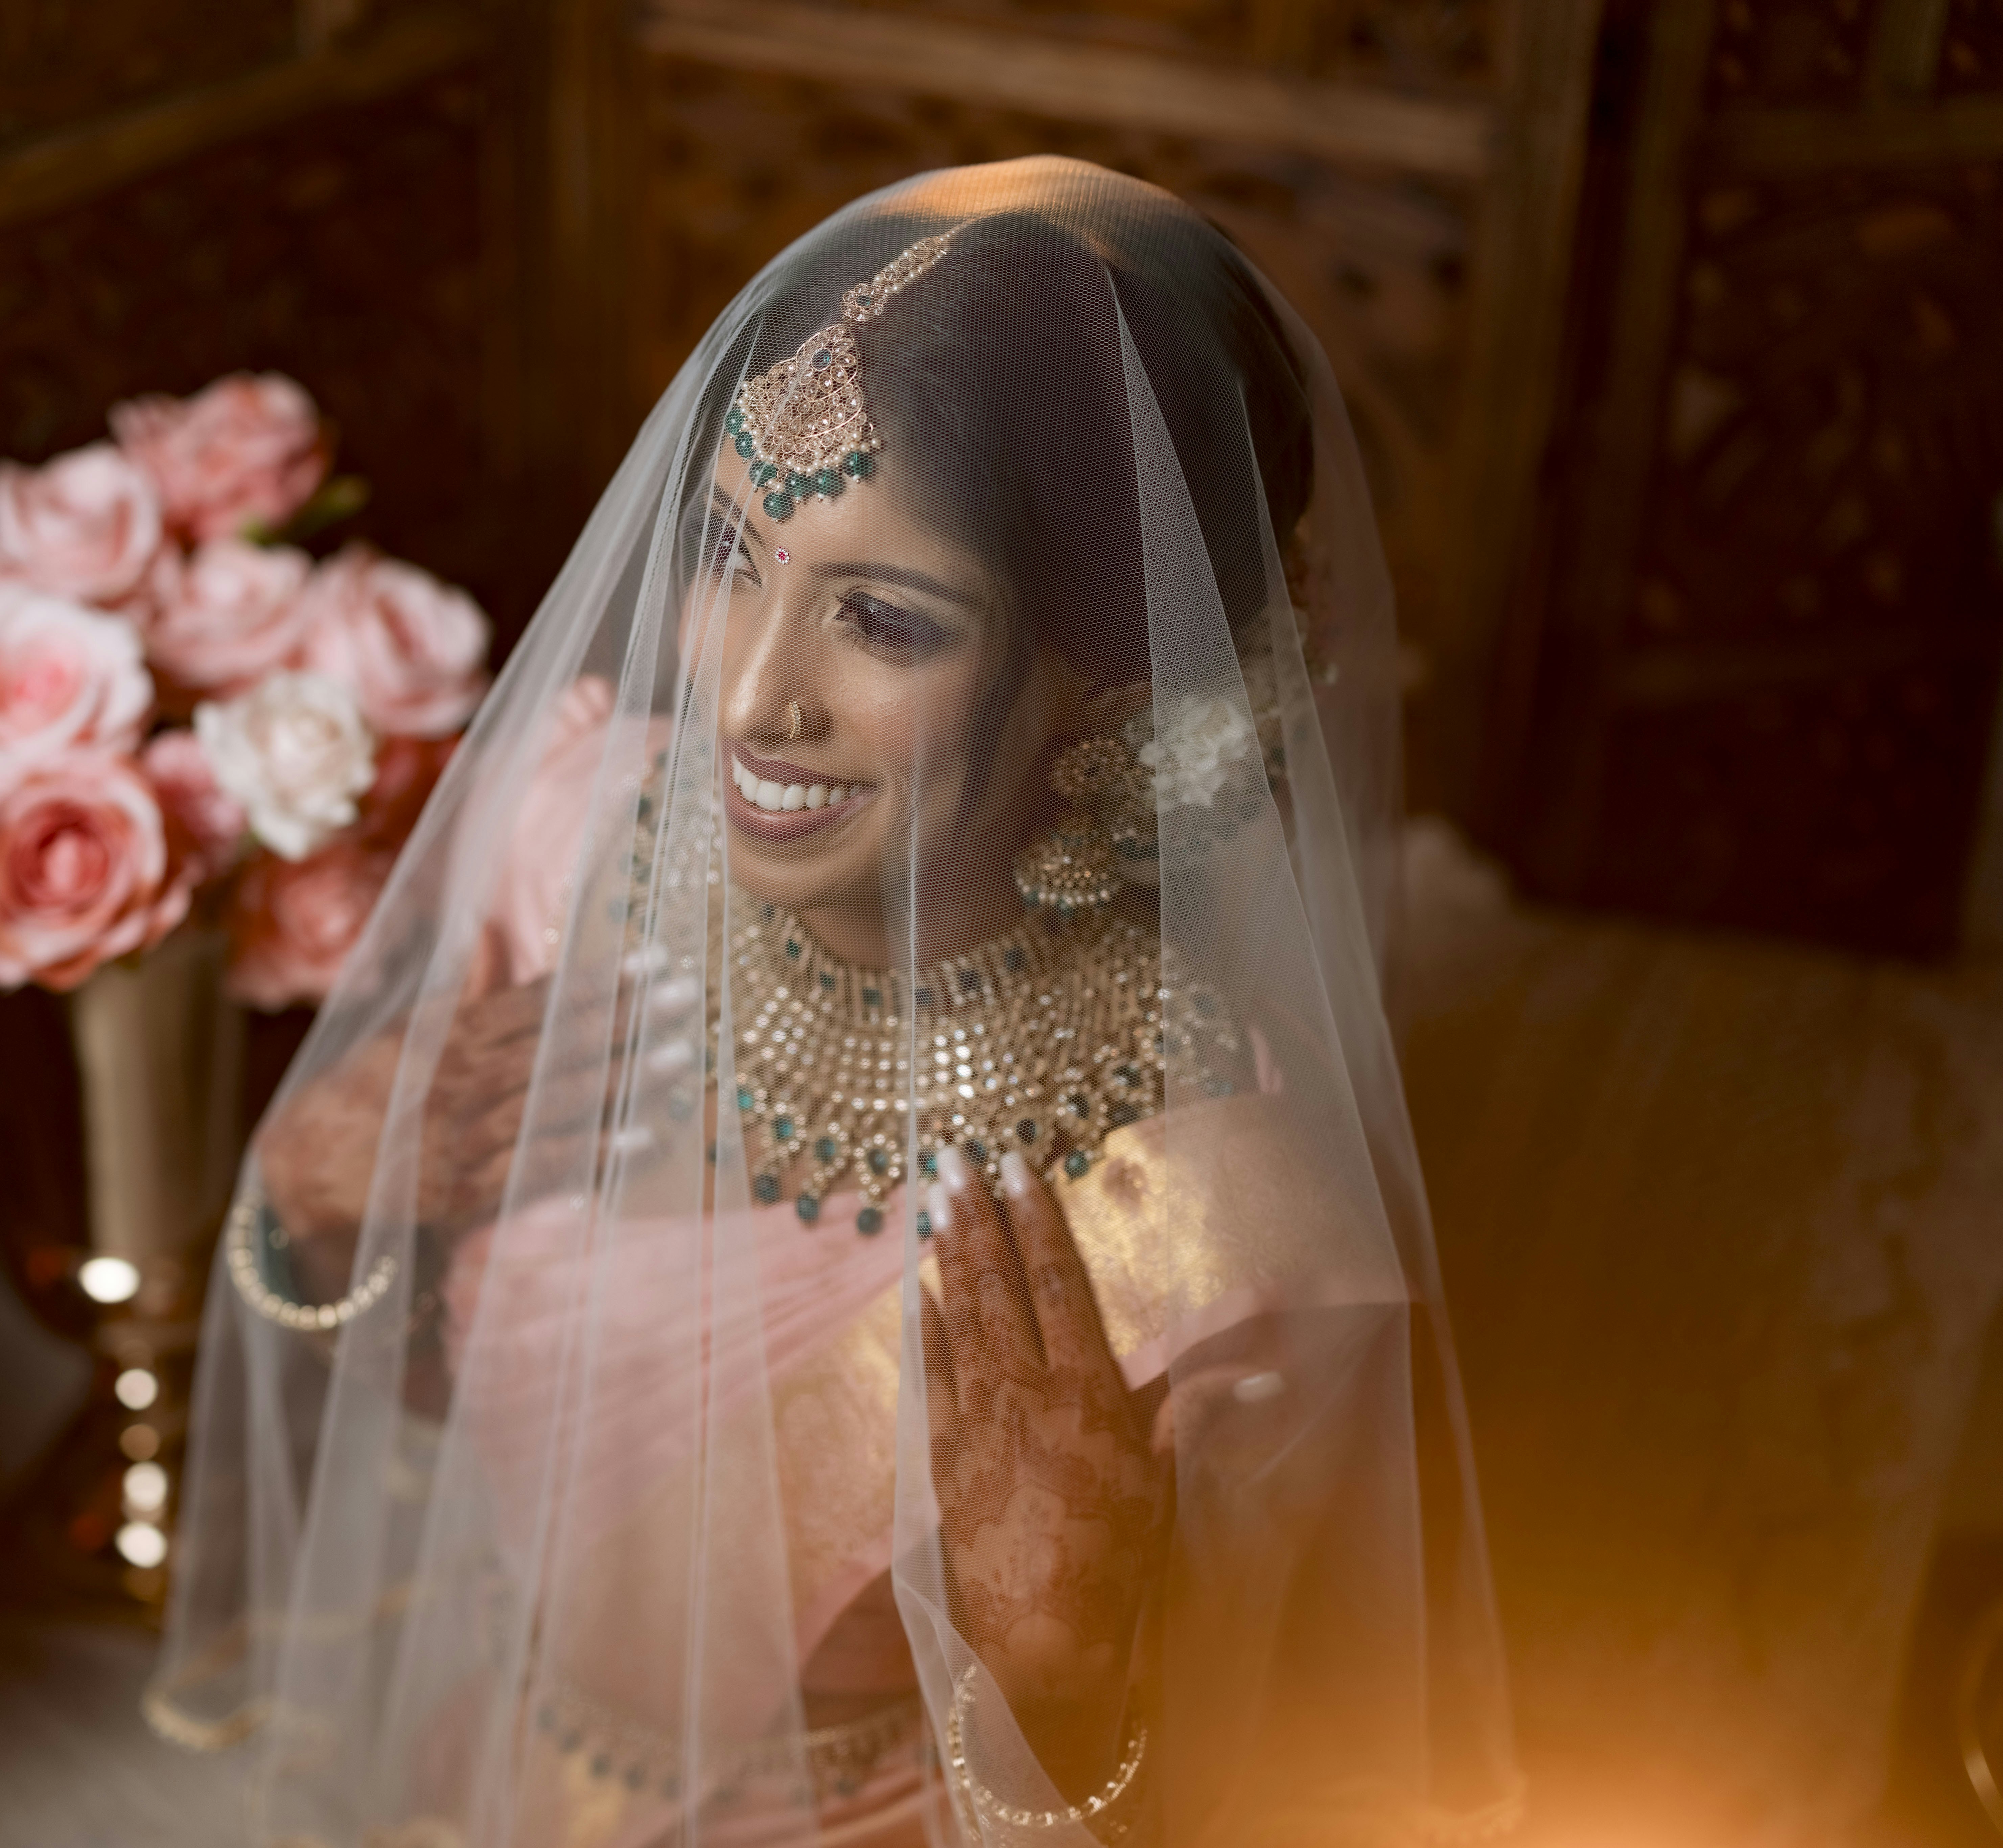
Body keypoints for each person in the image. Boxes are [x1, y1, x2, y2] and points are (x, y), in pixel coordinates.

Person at [153, 156, 1519, 1848]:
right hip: (497, 1773)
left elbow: (1254, 1772)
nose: (744, 694)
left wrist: (1059, 1663)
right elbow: (417, 1422)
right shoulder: (563, 841)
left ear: (1104, 676)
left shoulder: (1213, 1200)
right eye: (731, 549)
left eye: (881, 616)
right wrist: (311, 1210)